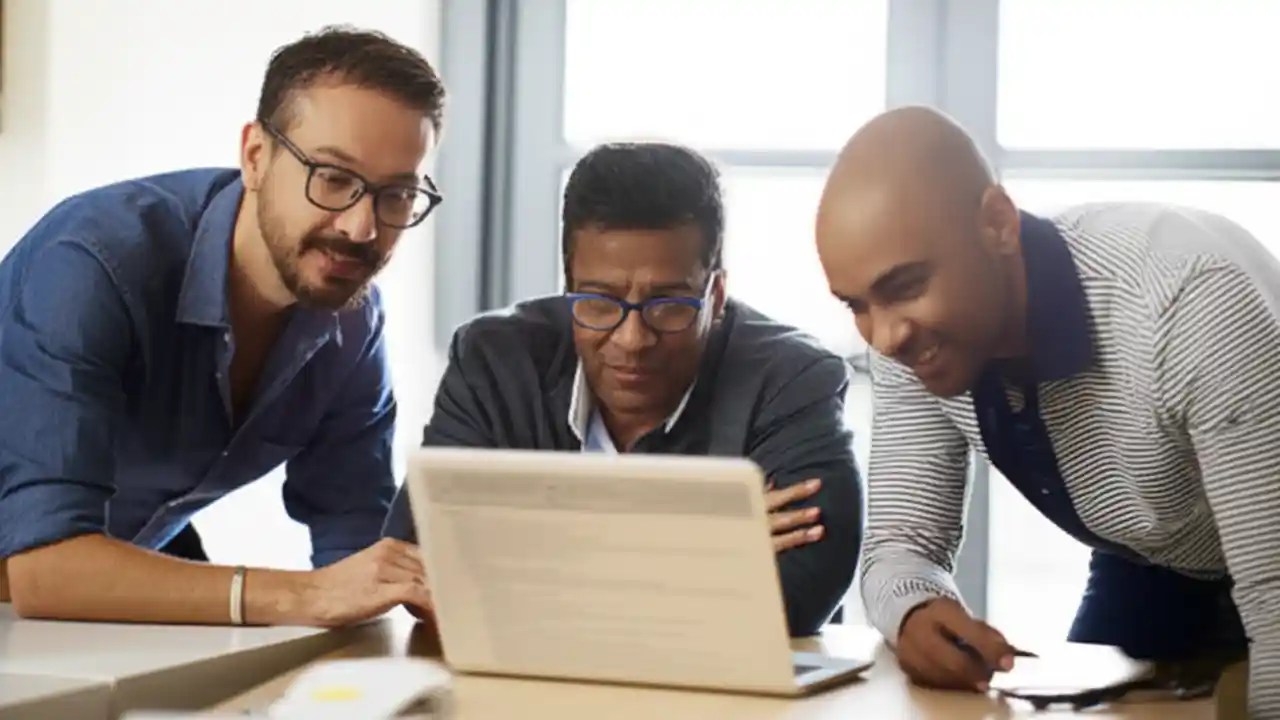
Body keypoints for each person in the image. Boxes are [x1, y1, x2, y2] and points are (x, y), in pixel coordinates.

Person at [815, 105, 1276, 715]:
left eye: (905, 287)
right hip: (1154, 563)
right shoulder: (911, 341)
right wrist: (916, 610)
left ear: (998, 224)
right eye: (856, 304)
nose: (884, 336)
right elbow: (902, 544)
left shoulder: (1186, 306)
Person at [0, 26, 443, 627]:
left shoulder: (351, 322)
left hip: (106, 591)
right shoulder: (95, 263)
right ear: (255, 157)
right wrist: (304, 596)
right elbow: (44, 570)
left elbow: (359, 549)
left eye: (396, 195)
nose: (362, 228)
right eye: (333, 179)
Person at [383, 142, 864, 635]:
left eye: (669, 304)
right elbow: (418, 558)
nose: (632, 339)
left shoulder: (793, 377)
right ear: (567, 286)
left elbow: (804, 589)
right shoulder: (495, 359)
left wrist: (524, 555)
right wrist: (704, 545)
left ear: (715, 296)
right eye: (598, 301)